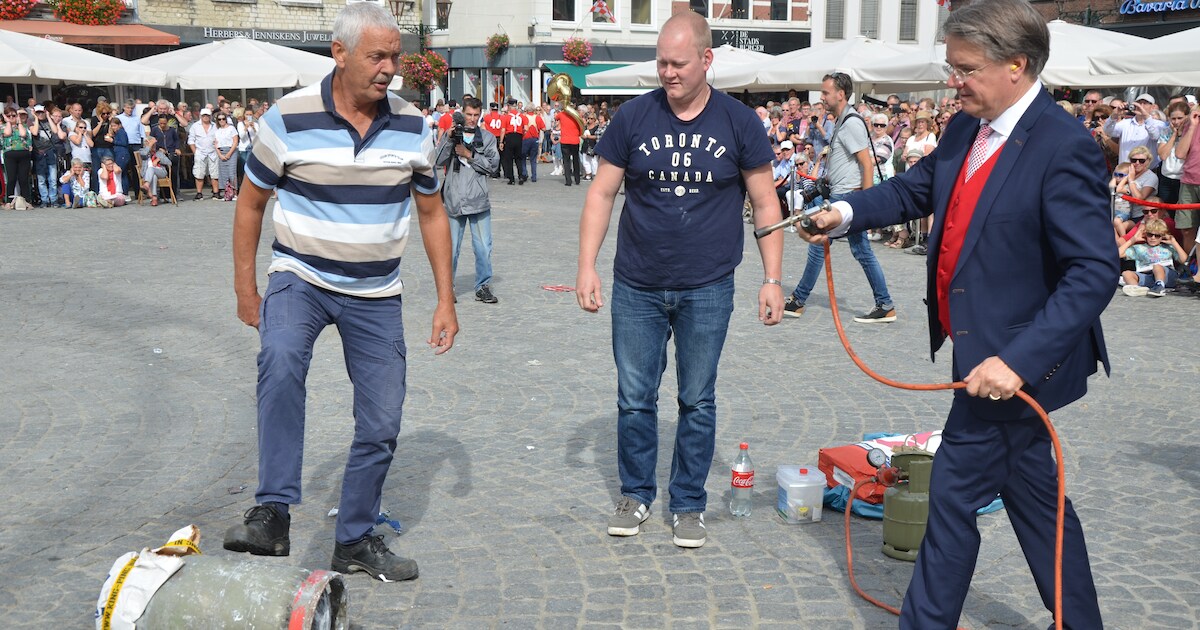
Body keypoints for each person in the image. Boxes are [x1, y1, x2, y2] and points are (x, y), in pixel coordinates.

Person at [803, 2, 1111, 626]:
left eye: (966, 68)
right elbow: (915, 189)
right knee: (1035, 502)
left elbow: (1094, 271)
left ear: (1017, 67)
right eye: (952, 66)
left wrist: (1019, 363)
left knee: (949, 496)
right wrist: (845, 213)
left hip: (1015, 367)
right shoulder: (965, 129)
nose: (954, 80)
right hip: (982, 354)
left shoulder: (1064, 145)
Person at [224, 1, 458, 584]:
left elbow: (432, 214)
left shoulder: (413, 125)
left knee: (382, 418)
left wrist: (447, 298)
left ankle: (353, 538)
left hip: (377, 291)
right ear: (339, 53)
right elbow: (251, 204)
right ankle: (272, 514)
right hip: (299, 278)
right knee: (279, 363)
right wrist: (246, 288)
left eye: (395, 56)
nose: (389, 68)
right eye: (377, 55)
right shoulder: (286, 118)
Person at [575, 11, 784, 549]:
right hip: (637, 283)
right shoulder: (631, 118)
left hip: (708, 285)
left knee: (697, 399)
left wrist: (773, 278)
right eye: (661, 62)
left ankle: (688, 503)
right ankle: (636, 492)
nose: (667, 72)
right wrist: (586, 265)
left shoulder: (739, 122)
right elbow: (601, 193)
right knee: (634, 397)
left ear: (706, 59)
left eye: (678, 63)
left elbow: (765, 202)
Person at [782, 72, 897, 324]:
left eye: (825, 92)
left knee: (821, 245)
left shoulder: (852, 122)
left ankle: (798, 300)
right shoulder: (842, 121)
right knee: (858, 251)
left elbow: (866, 164)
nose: (822, 97)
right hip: (842, 194)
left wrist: (865, 206)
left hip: (848, 197)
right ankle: (885, 303)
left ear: (840, 94)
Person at [434, 97, 501, 304]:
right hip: (454, 200)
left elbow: (493, 167)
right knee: (451, 249)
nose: (471, 119)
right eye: (468, 115)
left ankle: (482, 286)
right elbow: (436, 161)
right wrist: (448, 137)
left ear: (480, 115)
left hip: (478, 200)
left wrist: (469, 154)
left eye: (475, 115)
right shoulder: (452, 135)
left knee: (483, 247)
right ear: (462, 113)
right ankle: (447, 288)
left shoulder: (488, 138)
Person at [1118, 217, 1188, 298]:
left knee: (1157, 266)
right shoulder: (1139, 248)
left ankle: (1159, 286)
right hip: (1148, 276)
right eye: (1150, 234)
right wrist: (1133, 239)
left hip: (1168, 276)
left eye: (1157, 235)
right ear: (1145, 234)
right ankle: (1137, 289)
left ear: (1162, 236)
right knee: (1126, 273)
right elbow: (1118, 254)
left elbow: (1185, 261)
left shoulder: (1168, 247)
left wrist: (1174, 242)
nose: (1153, 238)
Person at [2, 107, 37, 207]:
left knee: (23, 179)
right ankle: (8, 201)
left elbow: (23, 134)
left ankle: (27, 200)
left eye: (14, 115)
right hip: (10, 154)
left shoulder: (23, 126)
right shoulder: (3, 127)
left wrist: (19, 122)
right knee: (11, 179)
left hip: (23, 154)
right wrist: (8, 122)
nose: (12, 117)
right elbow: (7, 133)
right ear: (5, 116)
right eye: (9, 116)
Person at [31, 105, 61, 208]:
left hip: (49, 152)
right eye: (38, 112)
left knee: (52, 178)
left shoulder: (48, 121)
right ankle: (44, 199)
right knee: (41, 179)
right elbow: (34, 132)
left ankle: (53, 199)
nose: (40, 114)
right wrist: (35, 118)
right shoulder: (32, 122)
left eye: (41, 112)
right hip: (39, 153)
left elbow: (55, 131)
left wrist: (48, 116)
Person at [188, 108, 220, 200]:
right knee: (199, 172)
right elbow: (191, 140)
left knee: (215, 173)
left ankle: (216, 192)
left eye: (207, 115)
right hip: (200, 152)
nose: (205, 117)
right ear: (200, 116)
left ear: (210, 116)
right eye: (204, 115)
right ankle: (199, 193)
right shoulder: (195, 126)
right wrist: (195, 152)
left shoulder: (215, 126)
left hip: (213, 152)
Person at [498, 98, 526, 185]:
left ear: (509, 106)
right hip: (519, 136)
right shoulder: (522, 117)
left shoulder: (506, 117)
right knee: (518, 158)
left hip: (510, 137)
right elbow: (526, 129)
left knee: (509, 158)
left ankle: (511, 178)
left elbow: (503, 130)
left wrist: (501, 142)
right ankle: (521, 176)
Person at [139, 135, 170, 207]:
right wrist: (150, 145)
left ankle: (146, 185)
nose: (154, 146)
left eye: (154, 145)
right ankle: (154, 198)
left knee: (151, 168)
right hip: (148, 174)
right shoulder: (143, 151)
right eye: (153, 145)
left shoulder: (159, 152)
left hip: (161, 172)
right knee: (153, 175)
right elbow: (144, 154)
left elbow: (169, 163)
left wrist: (158, 159)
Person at [214, 113, 239, 200]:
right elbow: (216, 144)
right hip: (221, 150)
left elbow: (235, 142)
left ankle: (235, 193)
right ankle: (227, 193)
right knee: (223, 173)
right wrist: (220, 154)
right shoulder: (217, 131)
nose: (221, 121)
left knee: (232, 172)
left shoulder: (231, 128)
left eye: (223, 119)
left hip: (231, 150)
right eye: (219, 119)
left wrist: (229, 154)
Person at [557, 103, 581, 186]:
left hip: (565, 140)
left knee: (566, 161)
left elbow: (556, 117)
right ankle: (577, 179)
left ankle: (568, 181)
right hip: (575, 139)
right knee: (576, 160)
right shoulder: (576, 115)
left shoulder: (562, 114)